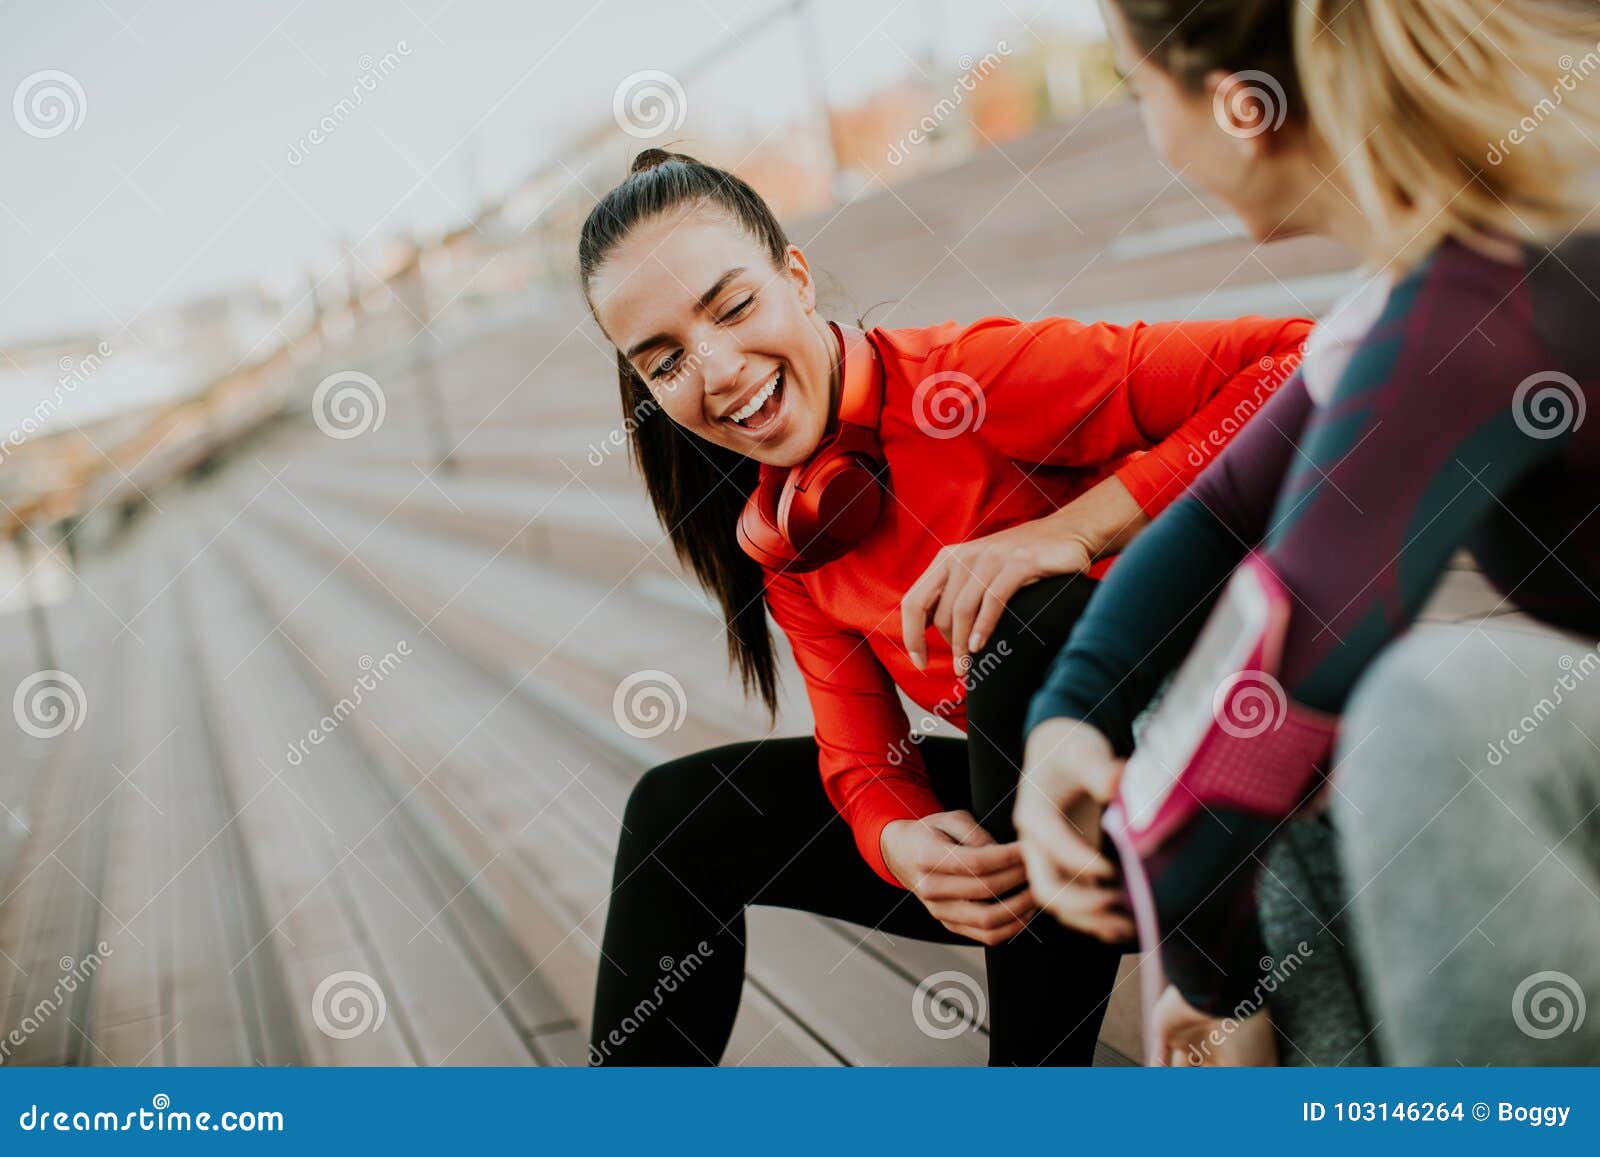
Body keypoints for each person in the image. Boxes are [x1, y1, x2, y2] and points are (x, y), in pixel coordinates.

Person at [576, 146, 1311, 1064]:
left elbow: (1303, 361)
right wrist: (901, 842)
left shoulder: (971, 379)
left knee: (1022, 617)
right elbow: (860, 755)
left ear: (796, 279)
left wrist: (1076, 530)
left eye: (731, 308)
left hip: (1225, 768)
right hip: (1062, 848)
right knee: (677, 815)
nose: (717, 370)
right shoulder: (791, 535)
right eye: (666, 362)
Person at [1016, 0, 1600, 1065]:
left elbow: (1267, 701)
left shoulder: (1483, 296)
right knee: (1236, 703)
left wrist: (1207, 976)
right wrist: (1068, 717)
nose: (1150, 132)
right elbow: (1220, 514)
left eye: (1139, 93)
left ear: (1239, 110)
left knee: (1421, 715)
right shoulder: (1463, 254)